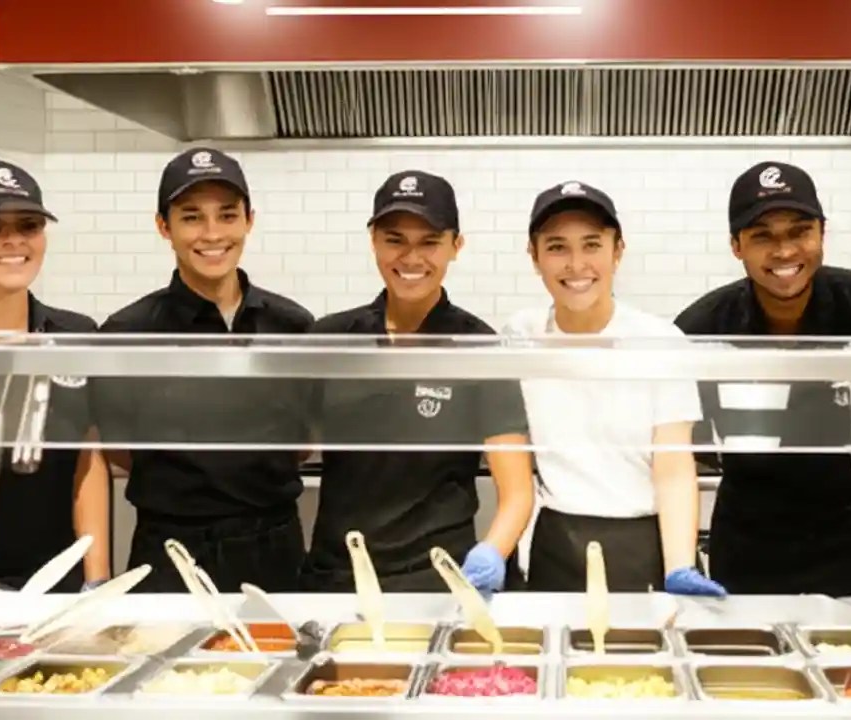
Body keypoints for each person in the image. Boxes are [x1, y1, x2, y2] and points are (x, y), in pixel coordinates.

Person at [674, 161, 851, 596]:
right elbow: (678, 451)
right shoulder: (700, 328)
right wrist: (680, 556)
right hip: (745, 544)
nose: (784, 252)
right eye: (762, 236)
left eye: (799, 231)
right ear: (736, 246)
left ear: (822, 232)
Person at [91, 147, 314, 593]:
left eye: (227, 215)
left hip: (273, 549)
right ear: (164, 227)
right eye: (192, 217)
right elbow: (117, 450)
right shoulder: (128, 331)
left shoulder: (292, 325)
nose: (212, 233)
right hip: (169, 553)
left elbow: (305, 440)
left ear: (249, 220)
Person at [303, 170, 535, 593]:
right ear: (373, 239)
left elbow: (518, 490)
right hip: (337, 577)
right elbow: (292, 449)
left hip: (440, 577)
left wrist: (491, 552)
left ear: (456, 246)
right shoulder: (329, 338)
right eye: (395, 240)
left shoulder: (479, 347)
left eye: (429, 242)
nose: (411, 258)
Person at [503, 180, 724, 596]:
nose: (576, 264)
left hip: (644, 542)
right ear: (534, 257)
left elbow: (674, 469)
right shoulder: (519, 337)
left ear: (617, 250)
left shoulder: (661, 341)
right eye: (556, 247)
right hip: (556, 541)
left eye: (591, 245)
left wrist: (679, 565)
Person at [0, 159, 110, 592]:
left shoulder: (75, 336)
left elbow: (86, 461)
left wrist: (96, 579)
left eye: (29, 225)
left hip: (63, 591)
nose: (14, 240)